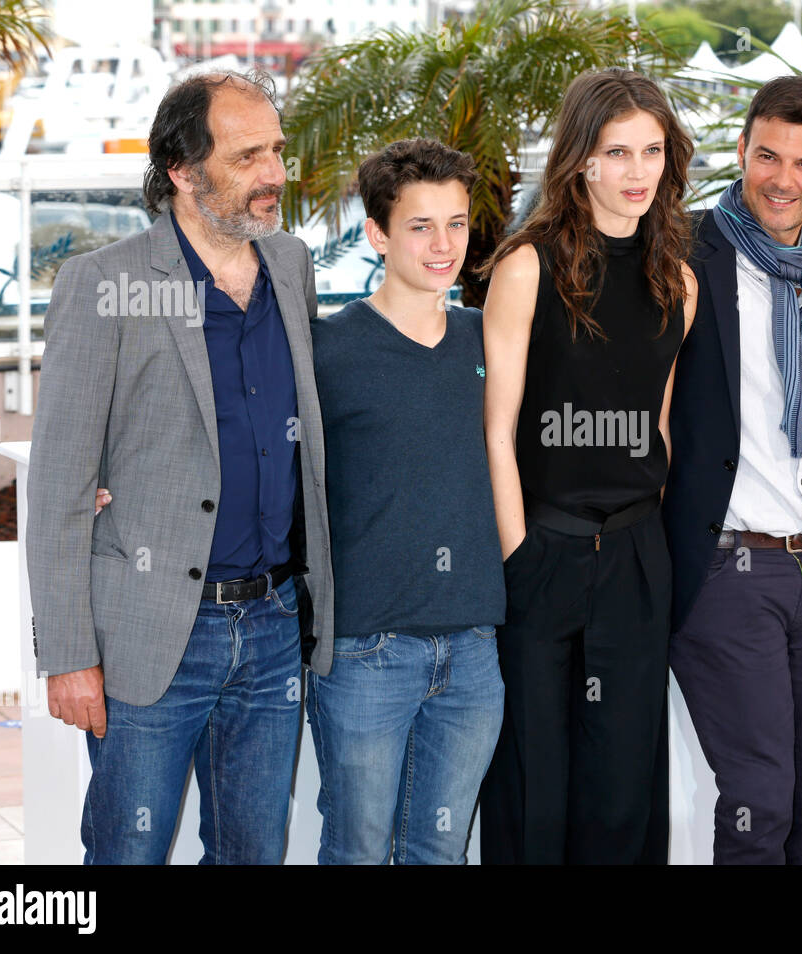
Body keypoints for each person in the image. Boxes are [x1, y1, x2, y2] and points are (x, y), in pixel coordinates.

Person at [26, 69, 334, 864]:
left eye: (276, 150)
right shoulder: (105, 284)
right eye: (247, 157)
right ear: (182, 171)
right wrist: (67, 657)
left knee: (252, 854)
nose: (275, 174)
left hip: (271, 628)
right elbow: (59, 485)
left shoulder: (292, 266)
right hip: (150, 631)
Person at [476, 67, 697, 864]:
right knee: (533, 779)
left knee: (623, 786)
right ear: (579, 162)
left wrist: (652, 547)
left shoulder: (677, 278)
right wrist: (519, 554)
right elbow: (495, 430)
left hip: (638, 555)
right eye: (617, 153)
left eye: (653, 152)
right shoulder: (527, 266)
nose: (638, 172)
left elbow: (660, 424)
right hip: (544, 551)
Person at [662, 75, 802, 864]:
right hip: (729, 570)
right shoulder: (680, 251)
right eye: (767, 156)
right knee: (760, 795)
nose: (782, 180)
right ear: (744, 151)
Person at [305, 139, 505, 864]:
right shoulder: (326, 349)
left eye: (456, 223)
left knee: (441, 850)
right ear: (378, 233)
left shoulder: (491, 339)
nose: (443, 243)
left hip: (476, 647)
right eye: (420, 225)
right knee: (357, 849)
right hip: (365, 650)